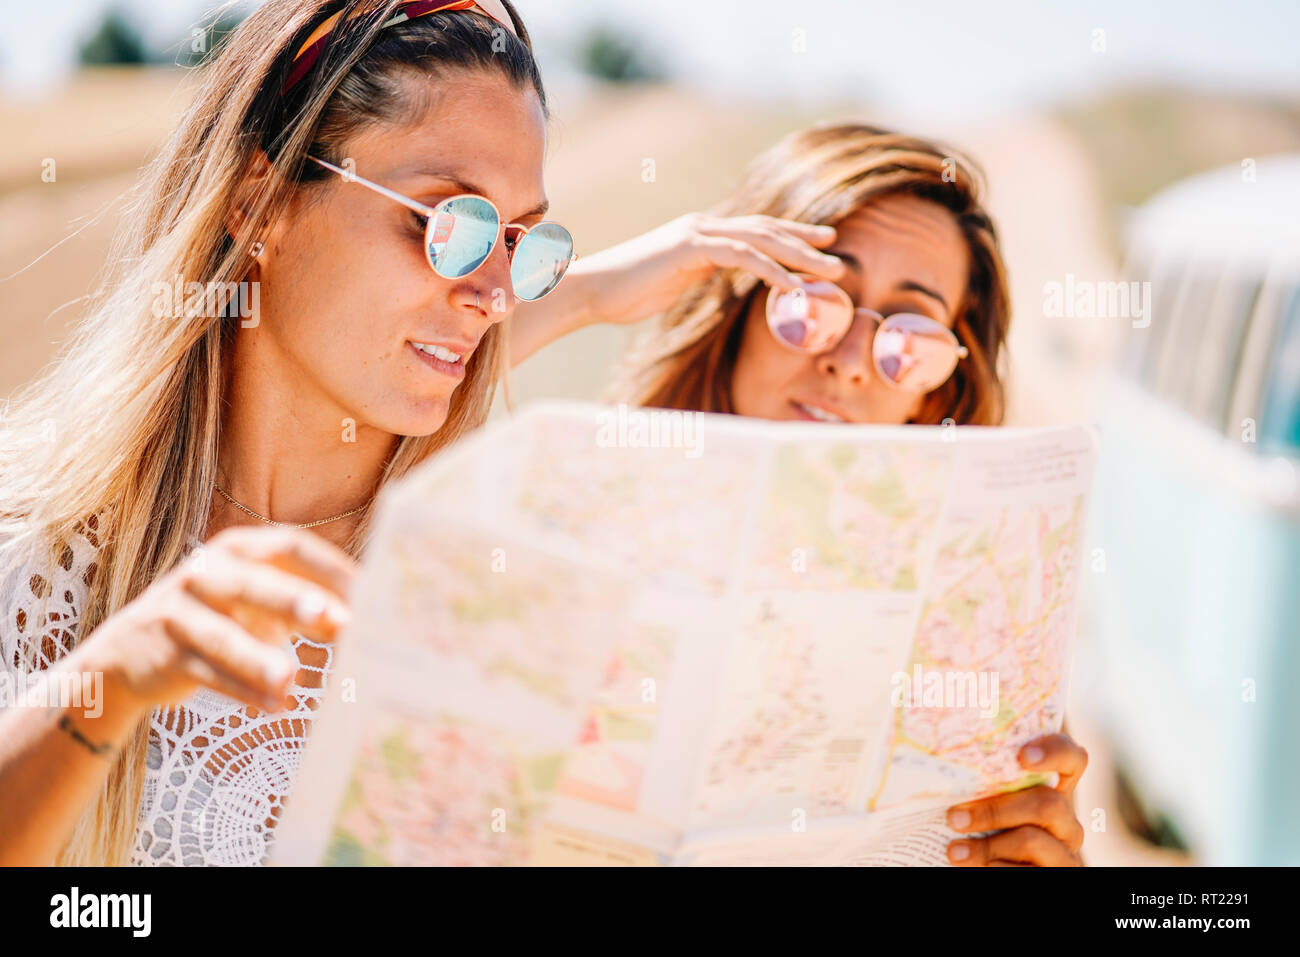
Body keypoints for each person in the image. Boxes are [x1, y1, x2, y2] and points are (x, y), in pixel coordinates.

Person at [0, 0, 575, 866]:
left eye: (524, 241)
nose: (495, 295)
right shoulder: (31, 562)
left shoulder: (503, 597)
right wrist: (105, 691)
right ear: (260, 204)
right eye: (452, 225)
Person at [513, 123, 1088, 865]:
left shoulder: (986, 635)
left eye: (910, 333)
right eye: (814, 301)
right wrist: (586, 295)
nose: (850, 361)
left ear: (935, 388)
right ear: (735, 310)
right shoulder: (558, 525)